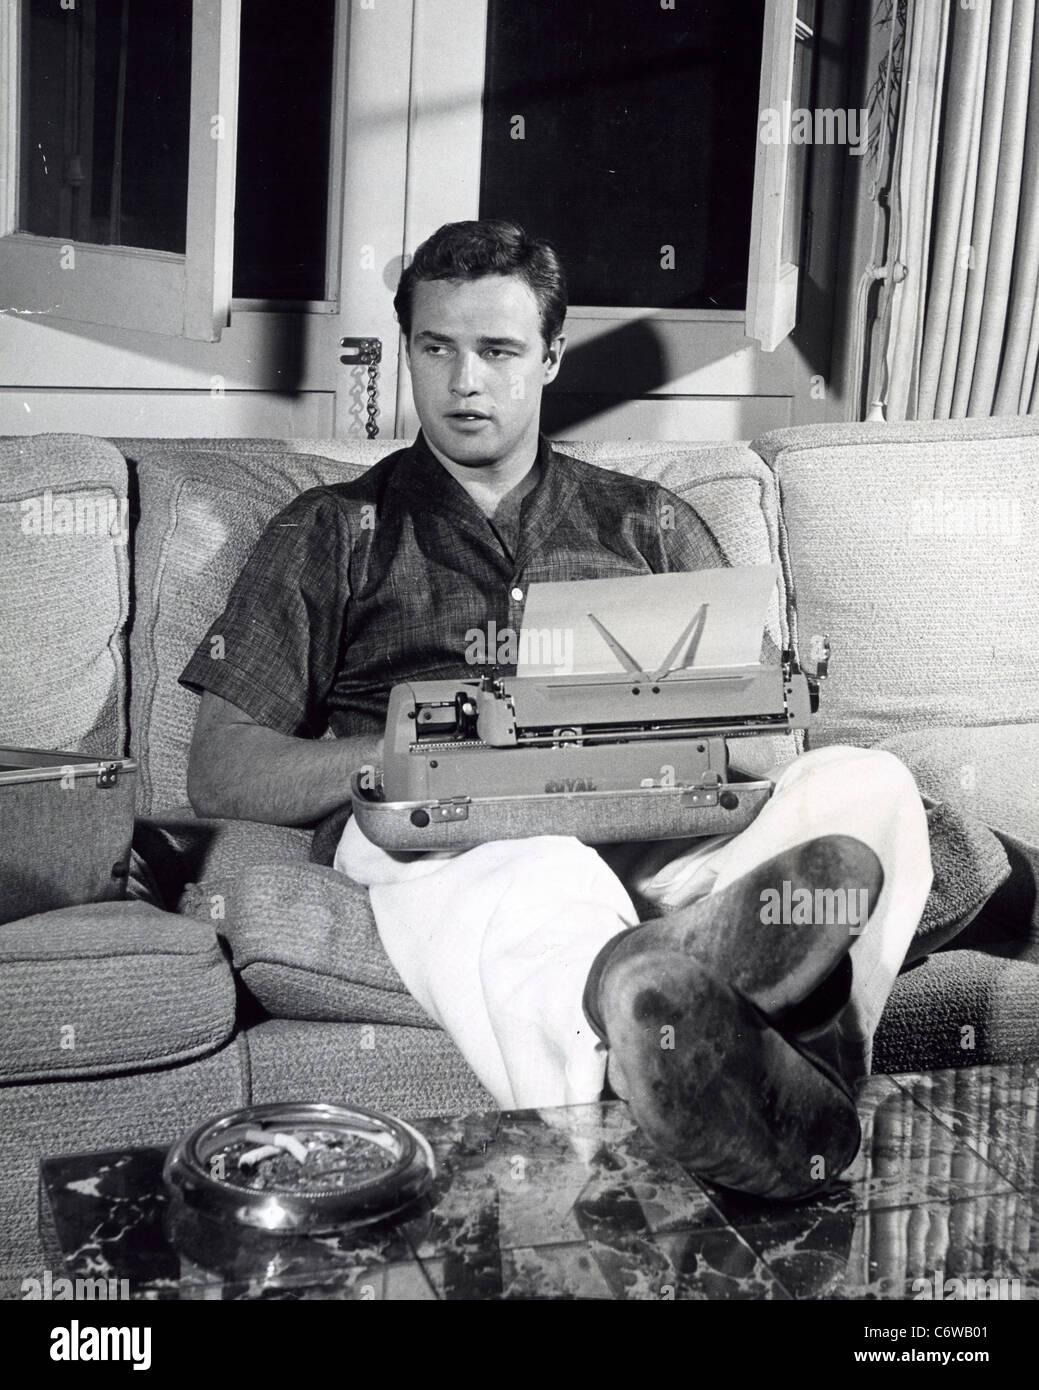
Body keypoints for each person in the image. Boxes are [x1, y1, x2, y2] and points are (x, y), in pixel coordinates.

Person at [182, 220, 933, 1200]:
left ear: (550, 357)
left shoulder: (648, 519)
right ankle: (656, 1029)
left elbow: (762, 746)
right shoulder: (334, 531)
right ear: (407, 349)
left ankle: (782, 1061)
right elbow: (220, 768)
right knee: (542, 866)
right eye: (435, 348)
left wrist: (766, 697)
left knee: (869, 782)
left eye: (496, 351)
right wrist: (402, 752)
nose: (463, 382)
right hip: (458, 839)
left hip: (655, 828)